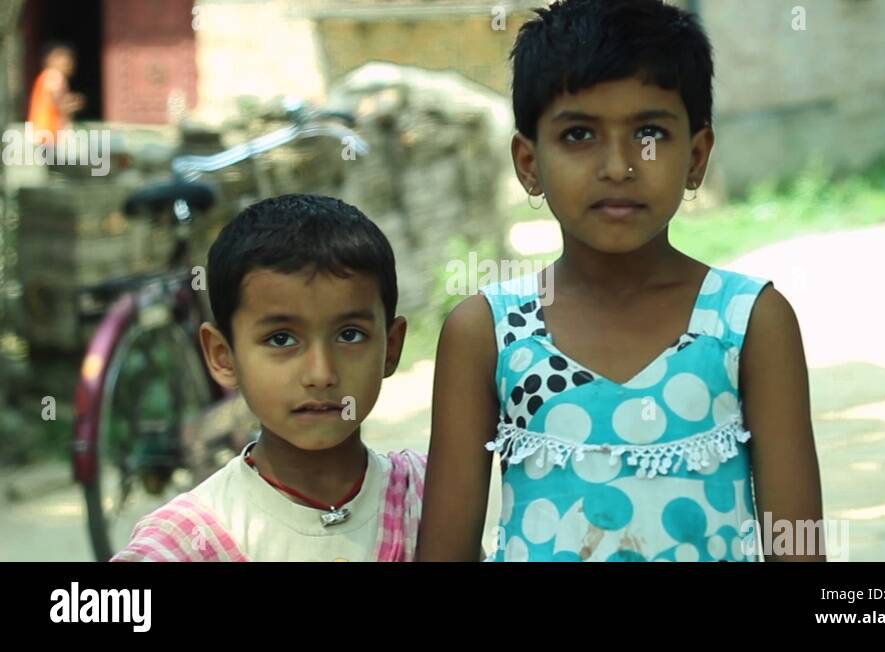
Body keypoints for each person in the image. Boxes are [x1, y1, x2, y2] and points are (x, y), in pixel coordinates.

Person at [417, 0, 824, 562]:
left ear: (697, 157)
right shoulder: (489, 333)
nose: (618, 166)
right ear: (529, 163)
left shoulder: (748, 323)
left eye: (650, 133)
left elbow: (797, 548)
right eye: (579, 134)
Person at [113, 194, 425, 562]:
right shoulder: (185, 543)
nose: (321, 374)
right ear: (222, 356)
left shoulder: (422, 498)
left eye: (350, 335)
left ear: (390, 348)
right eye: (281, 339)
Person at [27, 42, 84, 145]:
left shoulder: (44, 76)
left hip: (41, 133)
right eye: (64, 58)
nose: (68, 62)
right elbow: (59, 103)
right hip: (49, 133)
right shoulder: (55, 76)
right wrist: (75, 102)